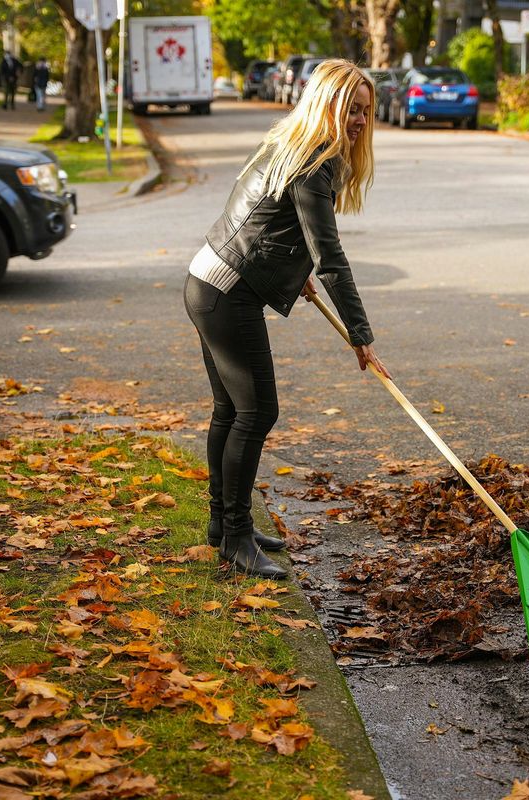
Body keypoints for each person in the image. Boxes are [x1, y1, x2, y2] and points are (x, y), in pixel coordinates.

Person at [184, 59, 390, 579]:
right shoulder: (313, 164)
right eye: (352, 110)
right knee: (256, 412)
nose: (361, 121)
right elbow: (330, 256)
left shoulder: (292, 144)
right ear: (327, 104)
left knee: (232, 410)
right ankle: (233, 537)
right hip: (225, 292)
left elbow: (268, 222)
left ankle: (224, 526)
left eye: (367, 111)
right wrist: (360, 337)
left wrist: (289, 271)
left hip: (210, 280)